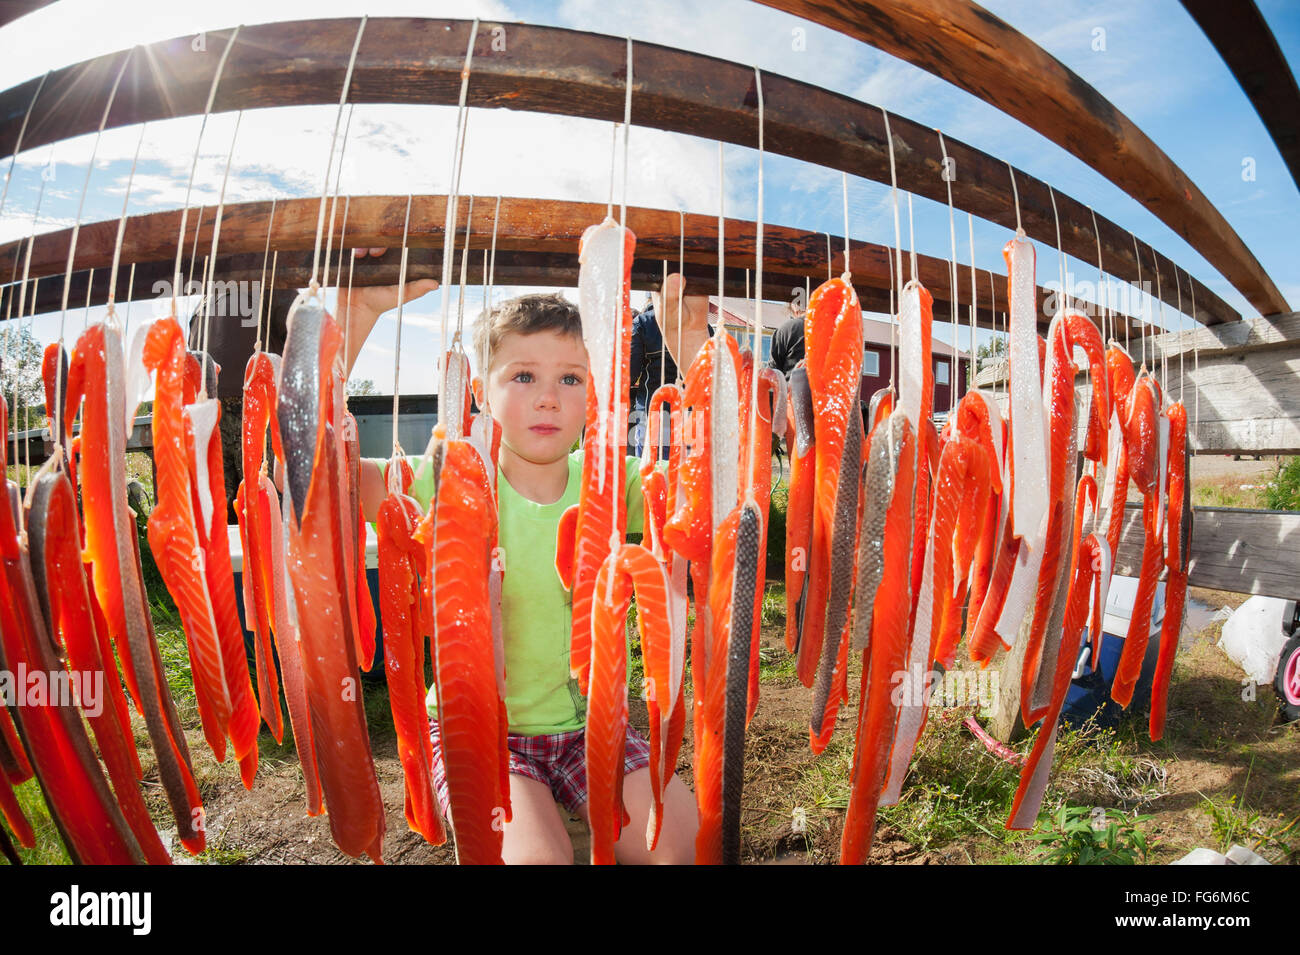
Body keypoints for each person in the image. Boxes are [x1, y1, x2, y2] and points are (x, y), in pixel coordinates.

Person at [350, 286, 698, 865]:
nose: (548, 400)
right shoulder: (452, 475)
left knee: (680, 850)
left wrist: (688, 344)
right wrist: (355, 318)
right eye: (523, 376)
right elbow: (311, 473)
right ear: (481, 394)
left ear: (596, 393)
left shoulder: (613, 479)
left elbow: (723, 483)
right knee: (541, 861)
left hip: (593, 729)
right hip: (481, 732)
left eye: (571, 379)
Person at [628, 273, 712, 455]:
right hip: (691, 415)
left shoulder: (642, 324)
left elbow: (630, 374)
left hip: (653, 414)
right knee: (687, 474)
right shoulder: (705, 327)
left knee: (652, 473)